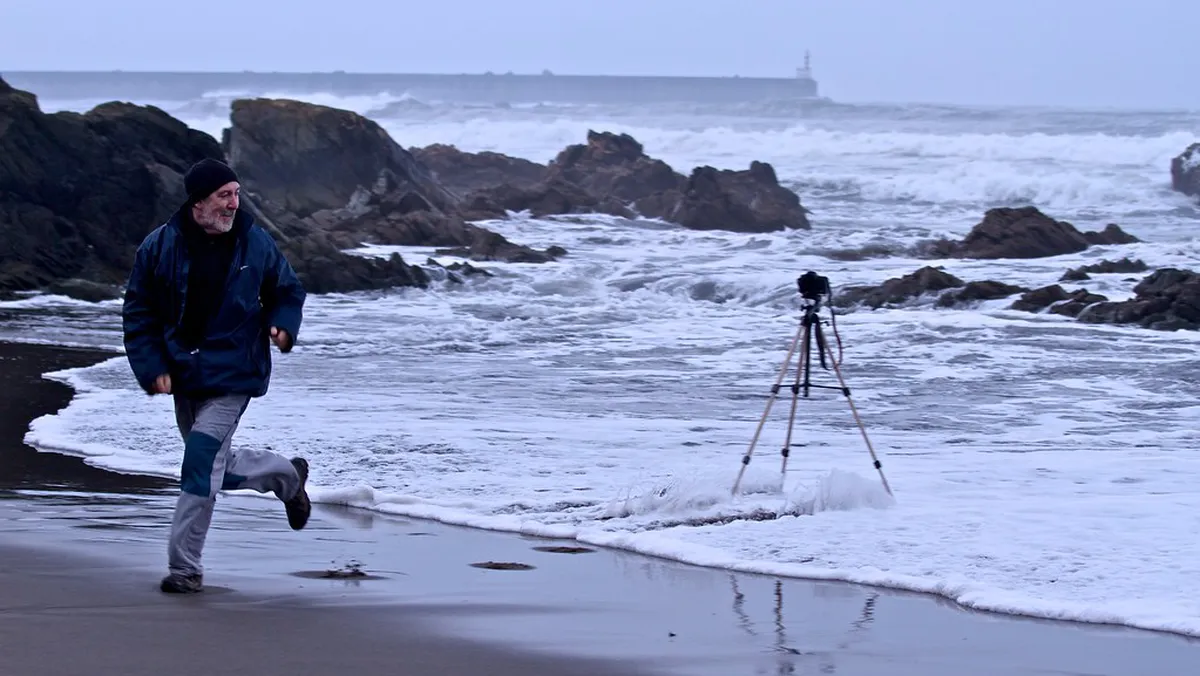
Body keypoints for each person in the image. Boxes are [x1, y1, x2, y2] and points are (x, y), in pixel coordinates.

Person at [121, 158, 311, 594]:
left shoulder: (253, 242)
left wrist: (283, 324)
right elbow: (138, 313)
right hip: (184, 374)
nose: (233, 204)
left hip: (234, 372)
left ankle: (185, 569)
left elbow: (287, 289)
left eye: (237, 194)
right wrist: (151, 369)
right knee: (211, 470)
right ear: (199, 200)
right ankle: (288, 477)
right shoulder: (159, 246)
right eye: (224, 196)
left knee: (200, 461)